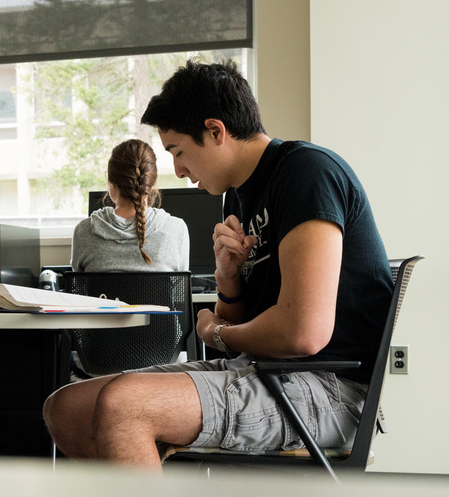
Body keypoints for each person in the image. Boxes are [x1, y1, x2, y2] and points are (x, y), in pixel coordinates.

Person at [43, 60, 394, 471]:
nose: (177, 170)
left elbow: (304, 333)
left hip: (330, 388)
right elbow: (241, 321)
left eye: (178, 151)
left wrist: (219, 332)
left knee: (124, 405)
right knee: (67, 407)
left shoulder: (306, 173)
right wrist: (228, 281)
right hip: (263, 371)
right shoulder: (238, 197)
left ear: (215, 131)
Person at [71, 138, 189, 273]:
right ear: (152, 183)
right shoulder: (176, 229)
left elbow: (79, 290)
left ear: (111, 183)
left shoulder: (84, 231)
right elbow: (179, 290)